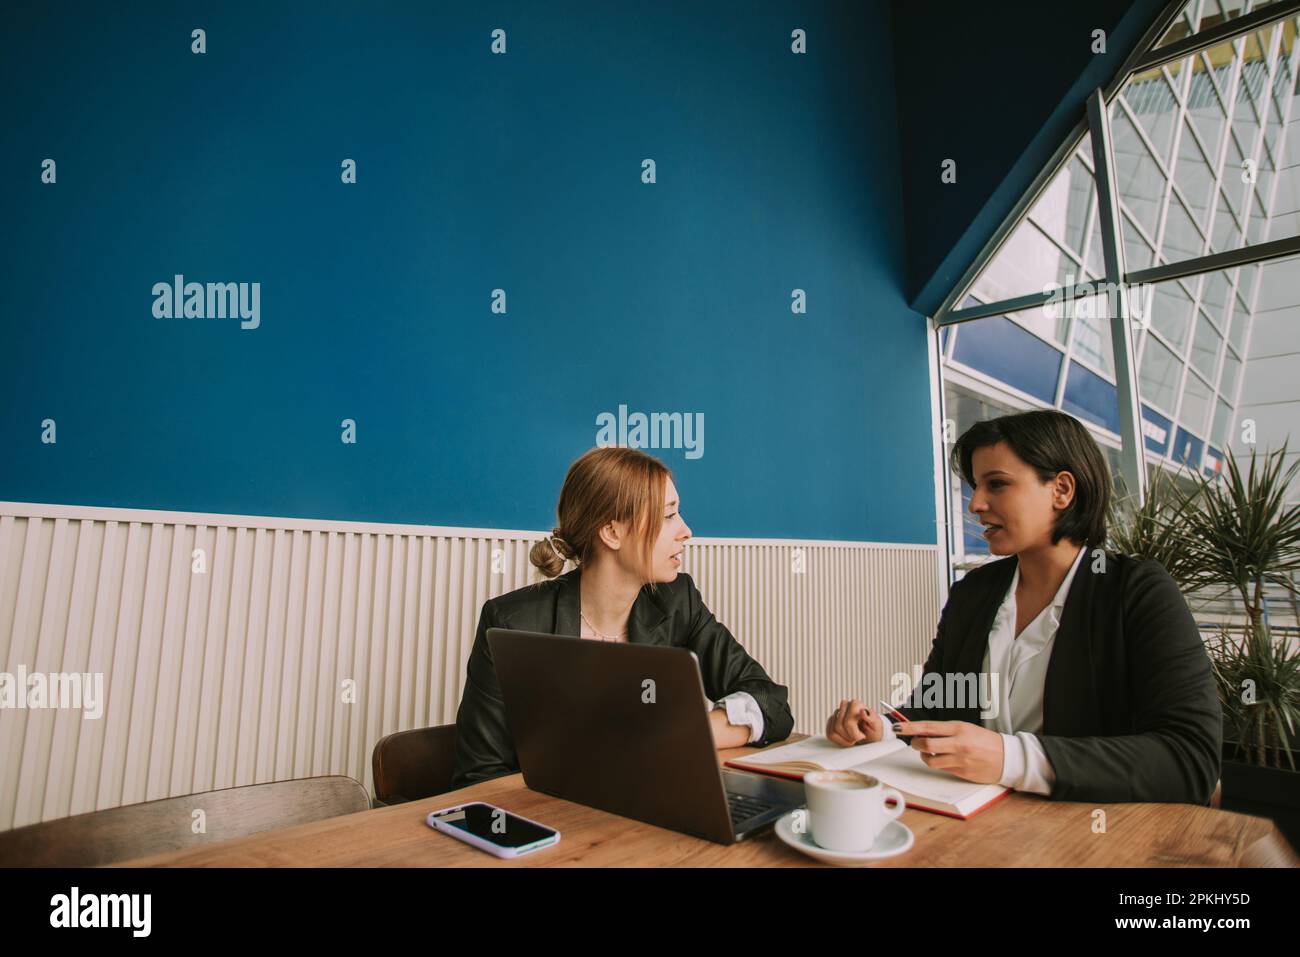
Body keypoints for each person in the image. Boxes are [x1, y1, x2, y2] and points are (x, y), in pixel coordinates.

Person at [826, 409, 1221, 805]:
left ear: (1062, 490)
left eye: (996, 484)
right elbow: (937, 705)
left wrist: (1008, 758)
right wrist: (884, 731)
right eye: (975, 486)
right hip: (977, 826)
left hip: (1089, 837)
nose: (975, 504)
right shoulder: (974, 593)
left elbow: (1189, 758)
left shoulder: (1136, 592)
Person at [450, 446, 795, 788]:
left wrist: (678, 735)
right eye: (668, 515)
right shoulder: (511, 623)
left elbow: (772, 703)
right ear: (612, 532)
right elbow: (478, 777)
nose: (686, 530)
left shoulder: (678, 602)